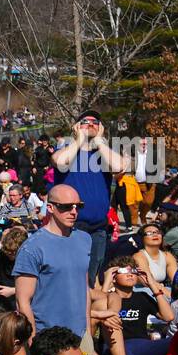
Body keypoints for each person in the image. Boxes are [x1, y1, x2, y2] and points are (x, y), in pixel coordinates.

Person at [52, 110, 127, 285]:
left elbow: (119, 167)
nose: (91, 124)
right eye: (85, 121)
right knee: (69, 276)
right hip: (70, 225)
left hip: (98, 227)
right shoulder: (65, 149)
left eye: (95, 122)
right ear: (76, 127)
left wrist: (100, 141)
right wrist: (79, 140)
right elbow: (60, 161)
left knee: (91, 277)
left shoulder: (104, 153)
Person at [14, 184, 92, 342]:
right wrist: (33, 341)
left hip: (79, 334)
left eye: (78, 206)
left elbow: (84, 289)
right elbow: (22, 301)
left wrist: (88, 331)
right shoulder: (32, 247)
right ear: (50, 207)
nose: (74, 212)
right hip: (47, 336)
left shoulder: (85, 239)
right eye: (66, 207)